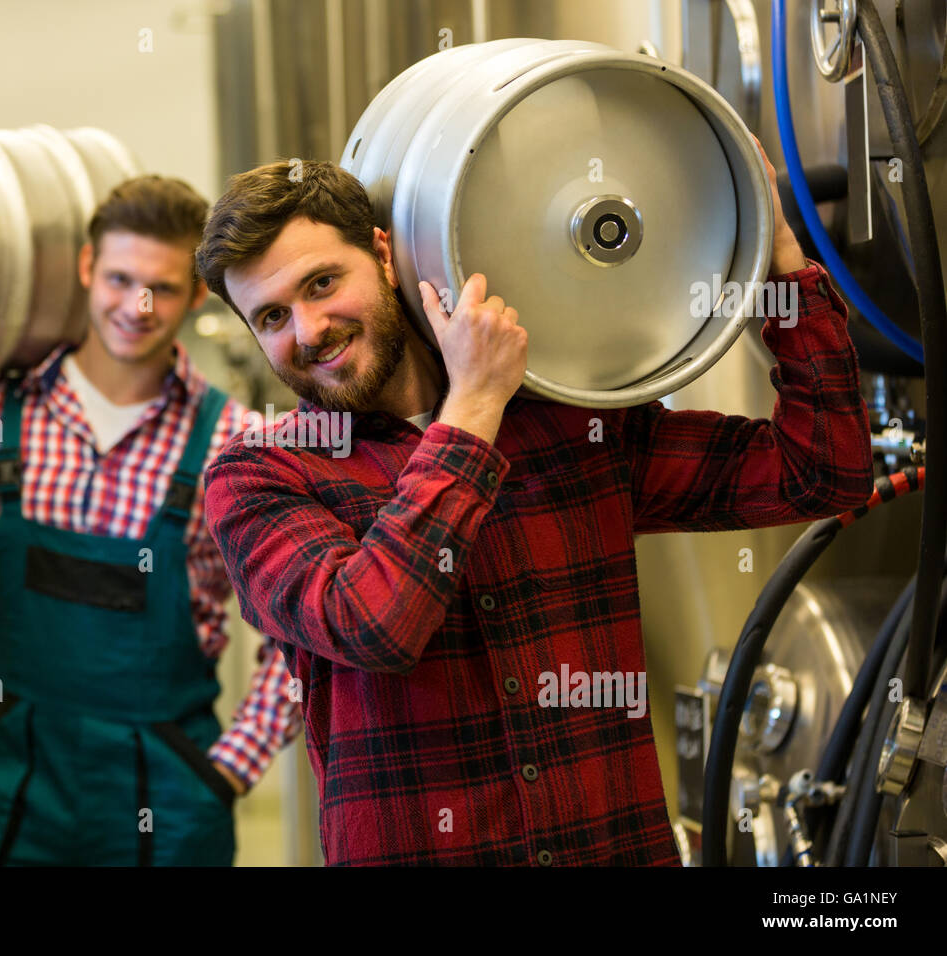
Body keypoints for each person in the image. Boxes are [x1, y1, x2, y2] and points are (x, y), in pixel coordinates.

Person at [193, 151, 874, 865]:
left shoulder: (569, 420)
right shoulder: (259, 479)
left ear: (382, 253)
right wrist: (476, 407)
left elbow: (823, 471)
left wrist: (783, 267)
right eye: (271, 316)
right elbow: (376, 625)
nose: (307, 331)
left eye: (322, 283)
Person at [0, 174, 300, 866]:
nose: (135, 306)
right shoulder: (3, 418)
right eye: (118, 278)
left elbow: (299, 640)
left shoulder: (230, 445)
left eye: (163, 288)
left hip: (165, 796)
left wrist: (225, 771)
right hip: (15, 781)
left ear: (197, 293)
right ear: (88, 269)